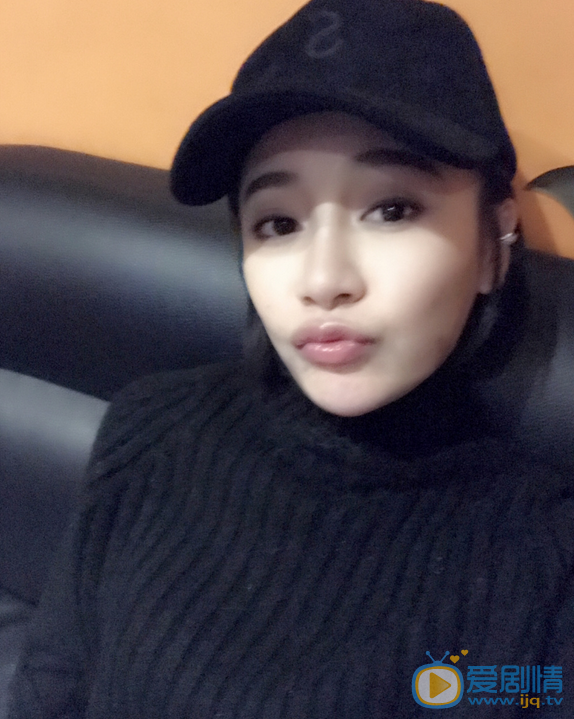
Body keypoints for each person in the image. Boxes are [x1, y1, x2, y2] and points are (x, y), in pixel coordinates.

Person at [8, 0, 574, 717]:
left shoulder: (545, 559)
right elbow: (48, 688)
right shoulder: (148, 430)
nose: (322, 279)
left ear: (495, 243)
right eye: (278, 223)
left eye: (392, 209)